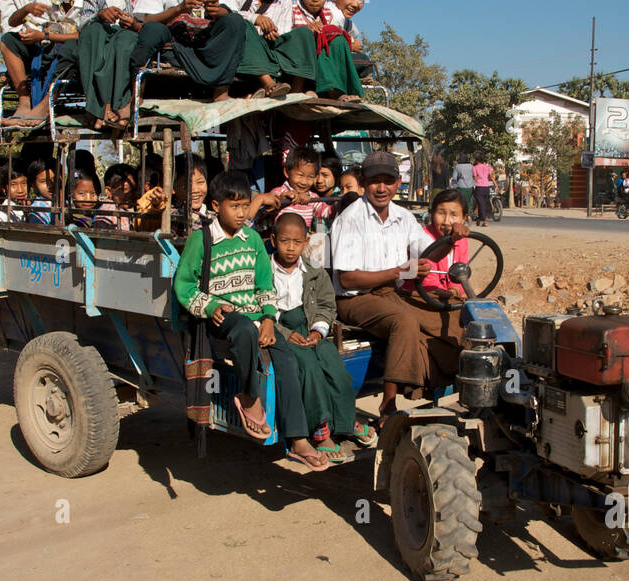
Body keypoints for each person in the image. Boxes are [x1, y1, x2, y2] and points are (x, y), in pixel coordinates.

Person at [172, 171, 327, 469]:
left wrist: (269, 319)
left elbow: (265, 286)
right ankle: (248, 396)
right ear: (216, 206)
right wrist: (208, 306)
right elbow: (184, 284)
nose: (243, 213)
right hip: (221, 319)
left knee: (287, 362)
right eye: (235, 206)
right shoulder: (201, 239)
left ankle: (298, 439)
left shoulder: (253, 239)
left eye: (246, 206)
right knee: (242, 328)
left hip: (256, 317)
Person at [331, 150, 464, 422]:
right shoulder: (350, 219)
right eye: (374, 181)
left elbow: (427, 254)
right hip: (354, 300)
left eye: (388, 180)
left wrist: (450, 241)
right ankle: (388, 405)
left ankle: (455, 378)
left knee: (456, 310)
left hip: (393, 292)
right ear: (363, 181)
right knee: (402, 320)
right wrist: (396, 272)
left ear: (397, 182)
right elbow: (347, 280)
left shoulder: (404, 217)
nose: (382, 188)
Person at [270, 213, 378, 459]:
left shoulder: (314, 271)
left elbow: (327, 306)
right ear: (273, 239)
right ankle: (320, 430)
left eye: (297, 242)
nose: (290, 248)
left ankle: (346, 421)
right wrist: (286, 334)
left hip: (310, 328)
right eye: (285, 241)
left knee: (334, 366)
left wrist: (318, 331)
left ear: (306, 241)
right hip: (280, 331)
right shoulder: (265, 270)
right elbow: (261, 307)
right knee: (307, 367)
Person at [71, 0, 148, 132]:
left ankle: (118, 105)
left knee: (123, 43)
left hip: (129, 32)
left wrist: (130, 20)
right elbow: (84, 19)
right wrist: (100, 15)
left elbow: (147, 16)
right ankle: (99, 107)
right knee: (90, 34)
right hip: (102, 33)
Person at [231, 0, 317, 98]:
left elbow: (284, 31)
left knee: (304, 33)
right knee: (243, 25)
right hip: (244, 48)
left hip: (270, 48)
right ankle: (268, 83)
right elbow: (228, 14)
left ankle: (297, 90)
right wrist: (255, 18)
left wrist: (273, 33)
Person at [0, 0, 51, 125]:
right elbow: (8, 23)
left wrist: (43, 34)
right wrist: (27, 9)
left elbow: (66, 18)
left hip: (52, 41)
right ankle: (24, 102)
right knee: (6, 41)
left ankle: (44, 106)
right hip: (25, 43)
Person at [402, 189, 471, 299]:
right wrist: (451, 294)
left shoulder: (462, 240)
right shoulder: (423, 239)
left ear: (464, 218)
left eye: (454, 215)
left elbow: (462, 272)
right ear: (432, 214)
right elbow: (428, 282)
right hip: (418, 296)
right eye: (441, 213)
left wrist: (455, 290)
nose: (446, 221)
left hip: (449, 295)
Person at [101, 163, 139, 231]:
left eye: (134, 190)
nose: (130, 194)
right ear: (109, 191)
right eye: (123, 190)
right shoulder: (114, 215)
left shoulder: (118, 208)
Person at [25, 157, 58, 224]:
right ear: (34, 185)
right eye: (43, 181)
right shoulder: (37, 211)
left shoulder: (62, 202)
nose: (50, 185)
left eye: (54, 179)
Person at [472, 152, 495, 226]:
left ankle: (484, 220)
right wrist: (495, 185)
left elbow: (475, 178)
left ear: (477, 159)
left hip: (479, 187)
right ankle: (479, 219)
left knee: (481, 203)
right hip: (486, 186)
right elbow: (491, 176)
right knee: (483, 203)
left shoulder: (475, 167)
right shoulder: (487, 167)